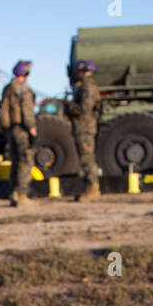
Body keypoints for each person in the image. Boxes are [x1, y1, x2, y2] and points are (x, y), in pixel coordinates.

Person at [0, 61, 38, 207]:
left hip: (10, 130)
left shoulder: (8, 89)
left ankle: (14, 193)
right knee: (25, 161)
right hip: (22, 129)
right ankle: (22, 194)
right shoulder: (23, 89)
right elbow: (27, 111)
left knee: (15, 162)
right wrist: (32, 129)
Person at [67, 60, 101, 201]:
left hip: (84, 127)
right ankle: (90, 188)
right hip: (83, 126)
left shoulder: (87, 86)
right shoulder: (85, 86)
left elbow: (84, 109)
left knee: (87, 158)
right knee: (86, 158)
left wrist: (69, 106)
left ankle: (92, 189)